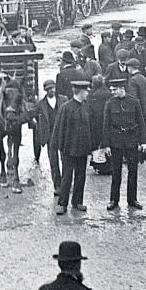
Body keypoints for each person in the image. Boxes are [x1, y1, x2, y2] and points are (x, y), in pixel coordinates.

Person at [101, 78, 146, 211]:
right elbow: (106, 125)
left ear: (122, 89)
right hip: (116, 142)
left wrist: (143, 142)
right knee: (116, 172)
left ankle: (132, 199)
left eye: (114, 90)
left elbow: (141, 123)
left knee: (133, 171)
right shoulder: (109, 104)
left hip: (132, 141)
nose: (112, 92)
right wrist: (107, 145)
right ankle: (113, 200)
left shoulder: (134, 102)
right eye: (111, 90)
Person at [52, 80, 94, 215]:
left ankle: (77, 201)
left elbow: (91, 127)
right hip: (68, 149)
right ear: (81, 92)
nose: (88, 93)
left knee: (81, 176)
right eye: (86, 91)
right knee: (67, 176)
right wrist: (58, 147)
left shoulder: (86, 106)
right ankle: (62, 203)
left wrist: (91, 146)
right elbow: (59, 129)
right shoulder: (66, 108)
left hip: (83, 148)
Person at [32, 79, 66, 193]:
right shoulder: (41, 104)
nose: (52, 90)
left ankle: (66, 184)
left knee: (65, 159)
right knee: (53, 161)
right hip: (50, 135)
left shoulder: (63, 100)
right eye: (49, 89)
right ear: (46, 91)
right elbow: (33, 115)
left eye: (53, 88)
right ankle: (57, 186)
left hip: (63, 133)